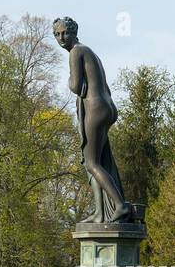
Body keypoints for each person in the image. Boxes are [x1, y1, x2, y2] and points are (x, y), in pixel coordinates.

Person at [53, 15, 134, 224]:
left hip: (95, 108)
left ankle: (120, 206)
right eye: (57, 34)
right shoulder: (90, 53)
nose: (61, 38)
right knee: (101, 161)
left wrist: (71, 79)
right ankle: (100, 213)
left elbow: (75, 86)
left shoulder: (76, 52)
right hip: (106, 107)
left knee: (91, 163)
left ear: (74, 32)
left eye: (65, 33)